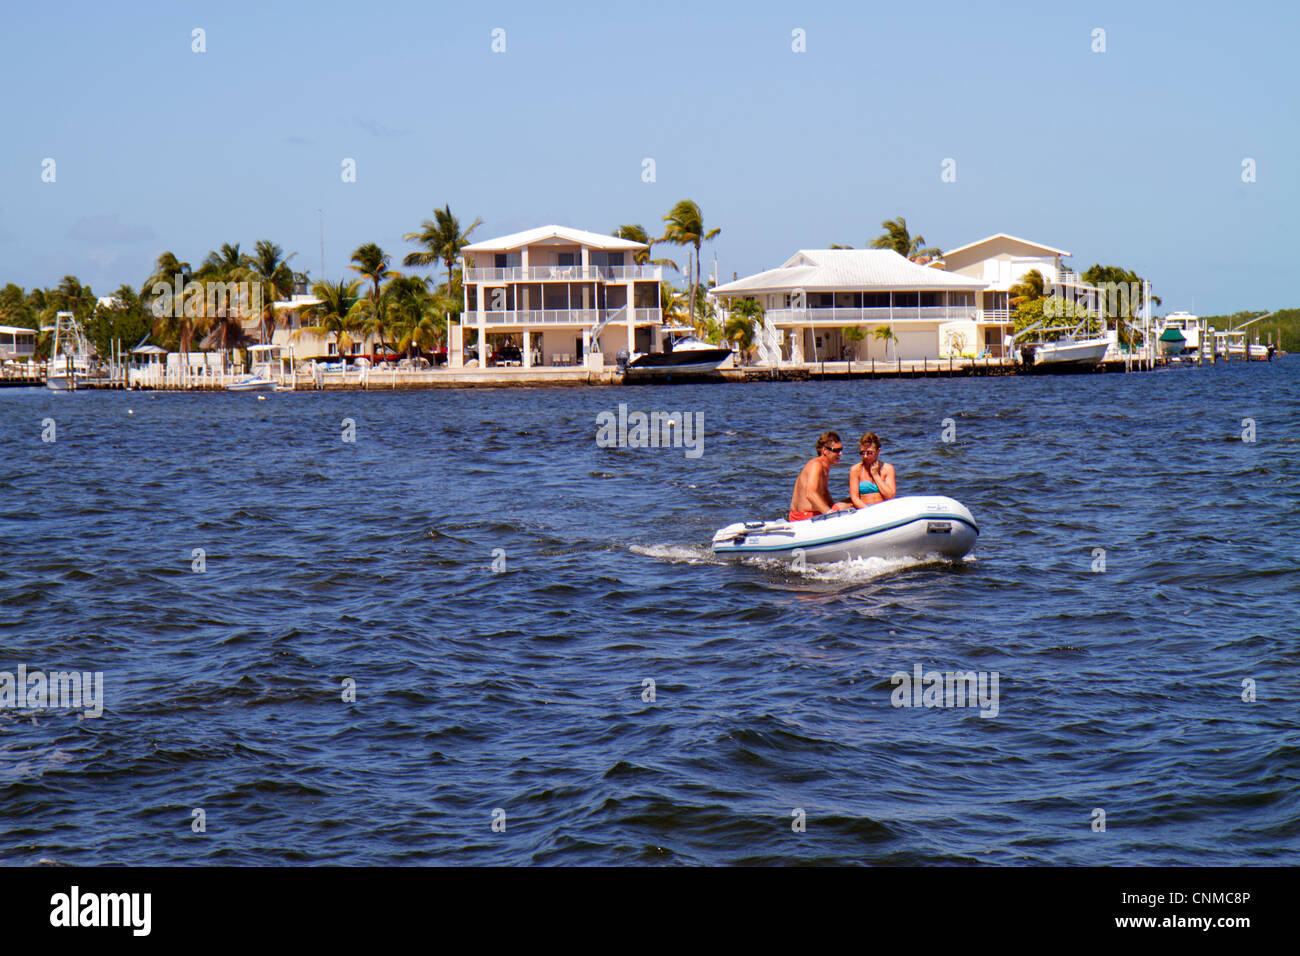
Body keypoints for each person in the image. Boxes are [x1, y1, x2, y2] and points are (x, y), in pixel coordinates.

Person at [789, 431, 855, 521]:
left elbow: (824, 493)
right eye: (836, 450)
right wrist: (830, 513)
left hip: (806, 514)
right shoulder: (816, 465)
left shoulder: (825, 467)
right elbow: (811, 494)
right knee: (849, 505)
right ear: (825, 451)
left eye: (841, 449)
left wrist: (832, 506)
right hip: (803, 517)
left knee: (850, 500)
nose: (840, 453)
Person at [848, 431, 896, 508]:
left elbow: (890, 496)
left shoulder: (888, 469)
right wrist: (868, 511)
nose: (865, 456)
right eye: (862, 453)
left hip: (883, 508)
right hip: (864, 509)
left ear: (878, 452)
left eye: (870, 453)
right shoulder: (855, 470)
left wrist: (875, 475)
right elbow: (855, 498)